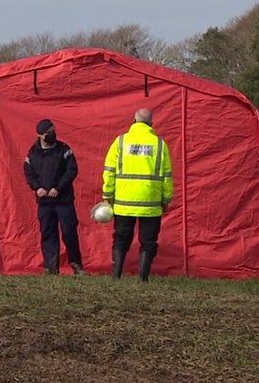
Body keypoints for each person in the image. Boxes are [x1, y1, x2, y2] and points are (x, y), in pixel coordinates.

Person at [101, 108, 172, 281]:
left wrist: (107, 196)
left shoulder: (120, 142)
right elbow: (167, 176)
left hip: (124, 203)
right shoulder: (160, 145)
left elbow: (109, 171)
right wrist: (166, 199)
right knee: (148, 241)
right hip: (151, 203)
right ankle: (143, 278)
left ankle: (116, 276)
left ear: (133, 121)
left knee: (120, 238)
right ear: (151, 124)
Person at [23, 119, 84, 275]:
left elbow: (71, 170)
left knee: (69, 232)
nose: (53, 135)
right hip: (45, 202)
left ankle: (76, 264)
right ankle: (51, 267)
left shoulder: (64, 149)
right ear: (41, 135)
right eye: (49, 133)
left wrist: (58, 187)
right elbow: (28, 173)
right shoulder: (32, 153)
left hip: (64, 201)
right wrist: (37, 188)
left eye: (53, 131)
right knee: (48, 233)